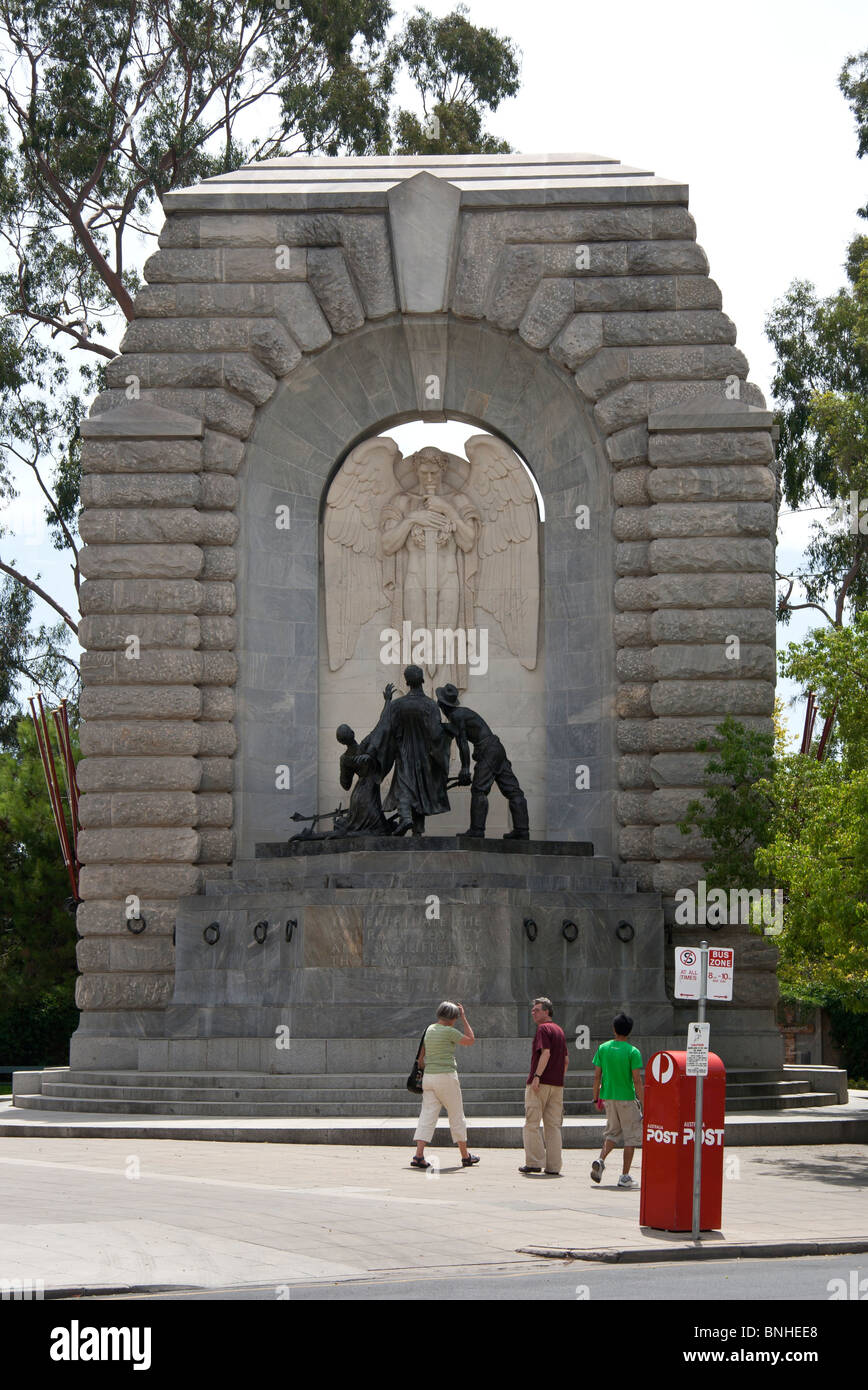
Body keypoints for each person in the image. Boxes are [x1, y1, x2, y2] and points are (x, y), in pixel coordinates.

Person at [435, 683, 529, 840]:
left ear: (442, 704)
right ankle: (522, 830)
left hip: (488, 751)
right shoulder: (461, 714)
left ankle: (477, 830)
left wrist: (465, 769)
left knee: (479, 790)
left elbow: (463, 743)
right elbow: (458, 731)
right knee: (513, 790)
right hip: (496, 748)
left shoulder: (457, 716)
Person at [411, 1001, 480, 1169]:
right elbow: (470, 1040)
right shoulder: (449, 1031)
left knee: (427, 1115)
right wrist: (464, 1018)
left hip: (429, 1077)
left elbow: (421, 1058)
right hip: (446, 1077)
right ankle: (465, 1156)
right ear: (452, 1018)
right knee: (456, 1115)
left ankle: (418, 1155)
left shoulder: (430, 1029)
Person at [590, 1013, 644, 1189]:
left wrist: (596, 1096)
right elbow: (636, 1080)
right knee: (630, 1138)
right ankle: (625, 1176)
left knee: (612, 1133)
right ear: (629, 1031)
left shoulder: (603, 1048)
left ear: (614, 1029)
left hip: (609, 1097)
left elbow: (597, 1075)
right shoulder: (633, 1052)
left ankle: (600, 1160)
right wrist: (643, 1101)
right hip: (627, 1098)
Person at [519, 997, 568, 1175]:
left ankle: (534, 1161)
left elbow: (545, 1053)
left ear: (547, 1012)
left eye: (537, 1009)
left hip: (540, 1083)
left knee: (532, 1123)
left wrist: (537, 1076)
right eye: (533, 1010)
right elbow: (566, 1060)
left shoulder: (543, 1029)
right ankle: (554, 1166)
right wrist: (559, 1078)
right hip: (557, 1085)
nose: (533, 1012)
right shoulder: (559, 1031)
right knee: (553, 1126)